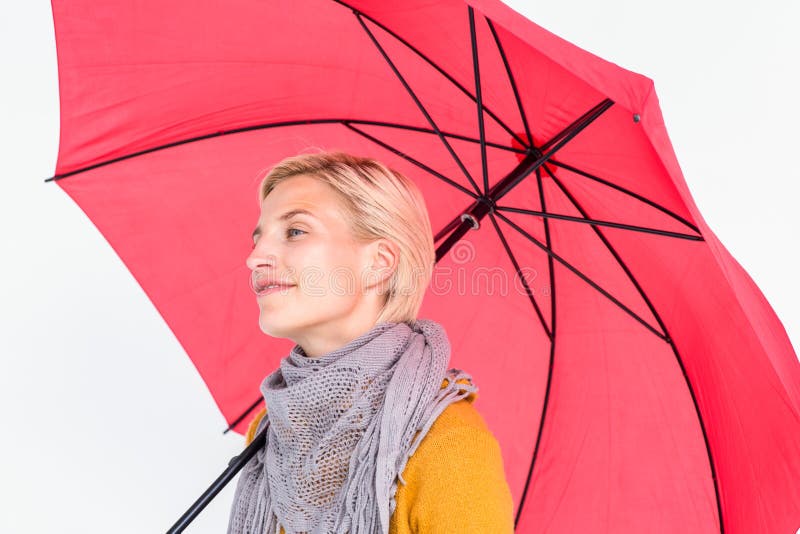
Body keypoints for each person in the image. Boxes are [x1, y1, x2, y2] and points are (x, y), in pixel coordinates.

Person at [227, 151, 514, 534]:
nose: (255, 259)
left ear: (379, 263)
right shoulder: (269, 432)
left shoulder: (446, 442)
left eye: (295, 231)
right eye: (258, 240)